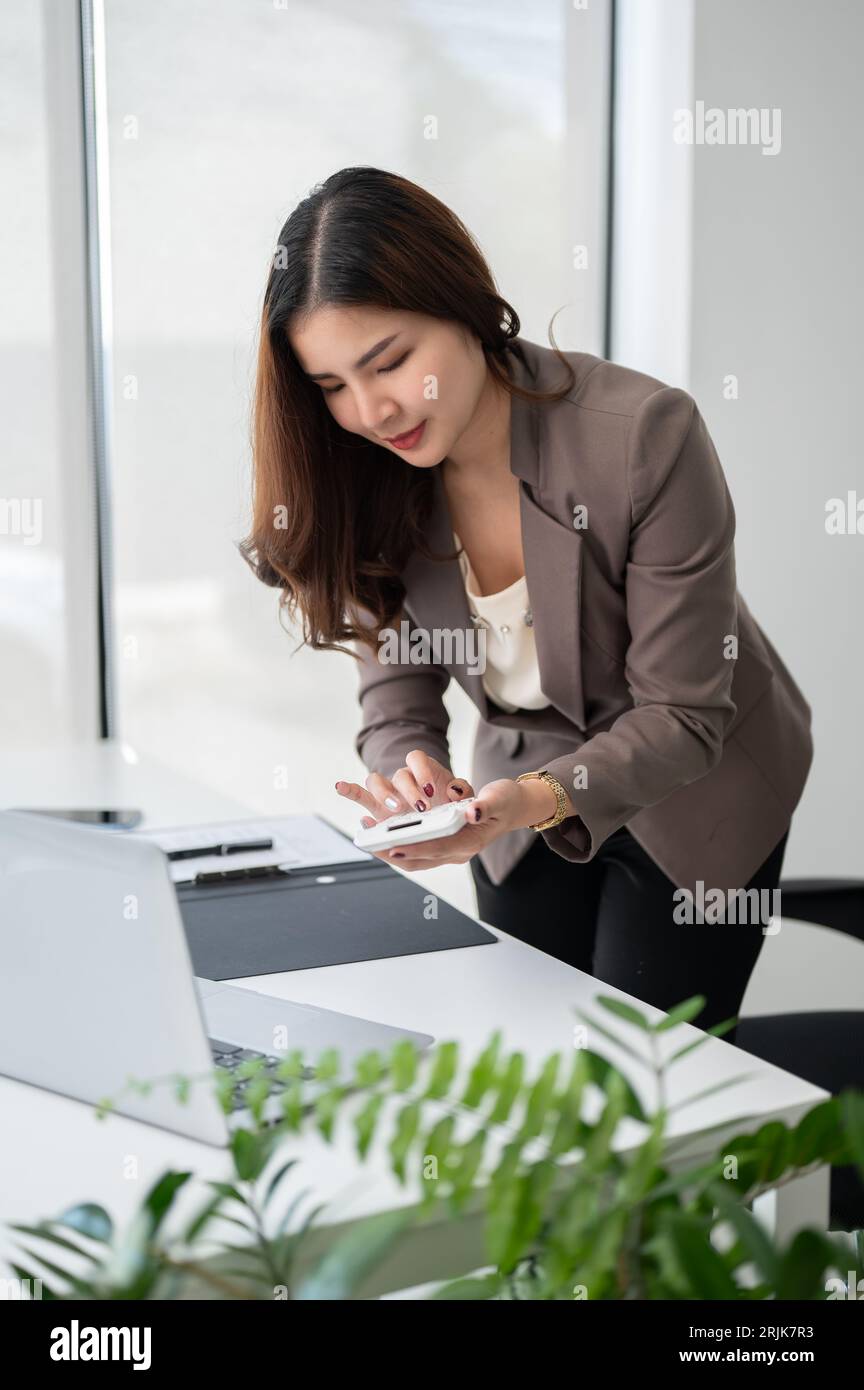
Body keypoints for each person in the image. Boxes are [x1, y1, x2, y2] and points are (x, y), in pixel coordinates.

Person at [241, 166, 813, 1044]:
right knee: (530, 1069)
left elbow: (685, 715)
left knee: (646, 1098)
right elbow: (395, 694)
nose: (369, 410)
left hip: (700, 780)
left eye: (389, 361)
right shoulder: (369, 472)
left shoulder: (645, 436)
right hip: (516, 778)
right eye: (330, 386)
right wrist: (413, 772)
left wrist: (531, 798)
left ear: (465, 302)